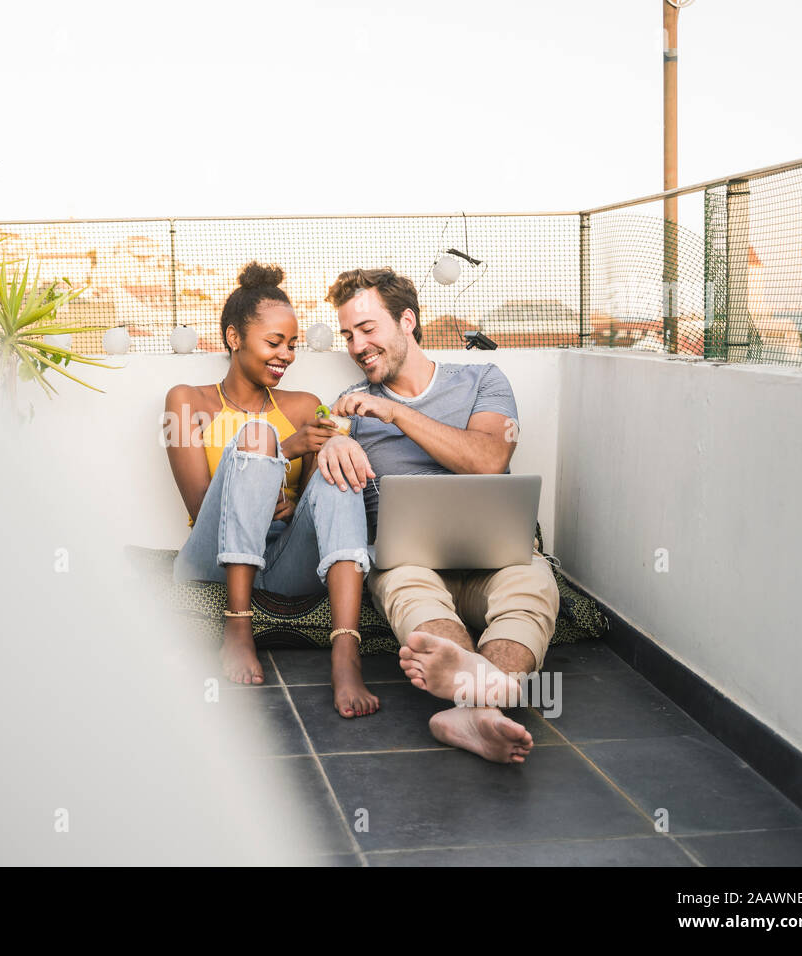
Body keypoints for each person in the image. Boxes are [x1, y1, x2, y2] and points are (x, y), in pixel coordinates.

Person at [316, 267, 561, 762]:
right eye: (347, 334)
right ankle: (485, 709)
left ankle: (469, 704)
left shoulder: (481, 379)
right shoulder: (347, 405)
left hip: (495, 556)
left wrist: (397, 414)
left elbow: (490, 460)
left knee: (533, 585)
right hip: (409, 562)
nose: (357, 345)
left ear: (407, 321)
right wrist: (329, 447)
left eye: (367, 329)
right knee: (408, 588)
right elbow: (323, 469)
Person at [165, 262, 379, 717]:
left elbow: (322, 502)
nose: (286, 355)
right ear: (234, 338)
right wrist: (282, 451)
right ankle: (238, 627)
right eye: (274, 342)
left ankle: (346, 652)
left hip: (284, 562)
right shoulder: (186, 401)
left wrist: (319, 459)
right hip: (212, 557)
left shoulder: (301, 405)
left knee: (337, 459)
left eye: (293, 345)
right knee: (259, 437)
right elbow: (202, 504)